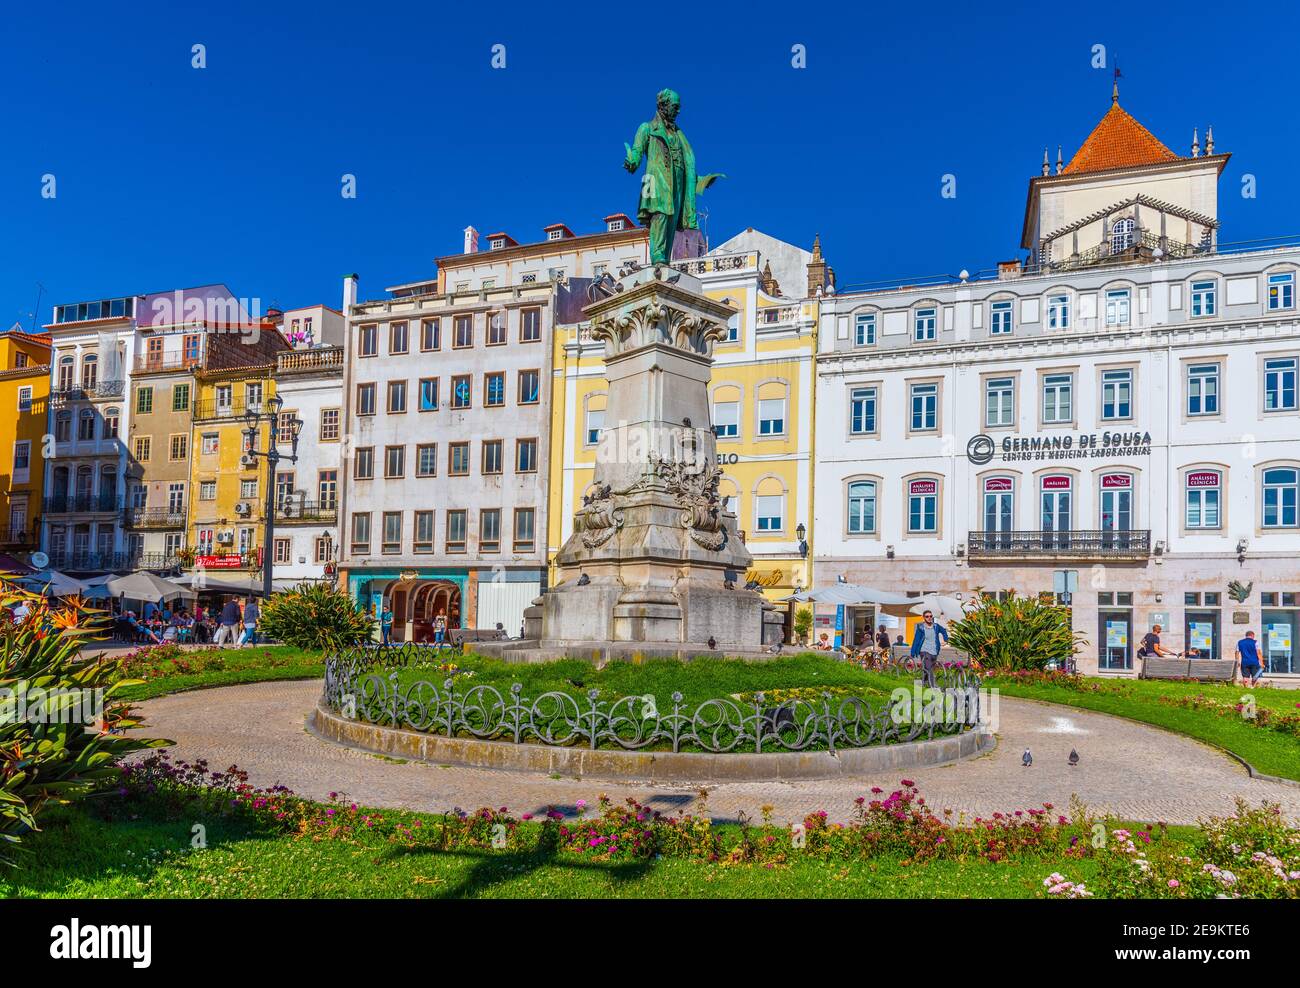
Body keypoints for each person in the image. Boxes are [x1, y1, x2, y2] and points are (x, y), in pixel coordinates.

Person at [909, 610, 949, 689]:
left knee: (927, 668)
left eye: (931, 616)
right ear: (924, 617)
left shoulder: (936, 626)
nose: (929, 618)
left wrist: (946, 639)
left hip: (934, 651)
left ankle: (924, 682)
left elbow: (944, 631)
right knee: (929, 668)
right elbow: (916, 640)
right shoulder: (921, 628)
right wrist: (912, 653)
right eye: (927, 616)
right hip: (924, 651)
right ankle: (934, 685)